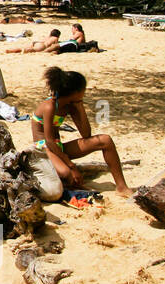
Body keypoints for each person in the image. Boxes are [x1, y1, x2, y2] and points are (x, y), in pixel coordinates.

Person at [32, 67, 131, 196]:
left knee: (105, 140)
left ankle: (122, 187)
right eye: (83, 90)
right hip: (44, 148)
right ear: (75, 91)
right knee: (66, 173)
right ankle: (72, 186)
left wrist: (80, 106)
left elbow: (86, 134)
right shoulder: (49, 106)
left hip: (58, 147)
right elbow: (49, 141)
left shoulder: (70, 105)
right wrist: (71, 166)